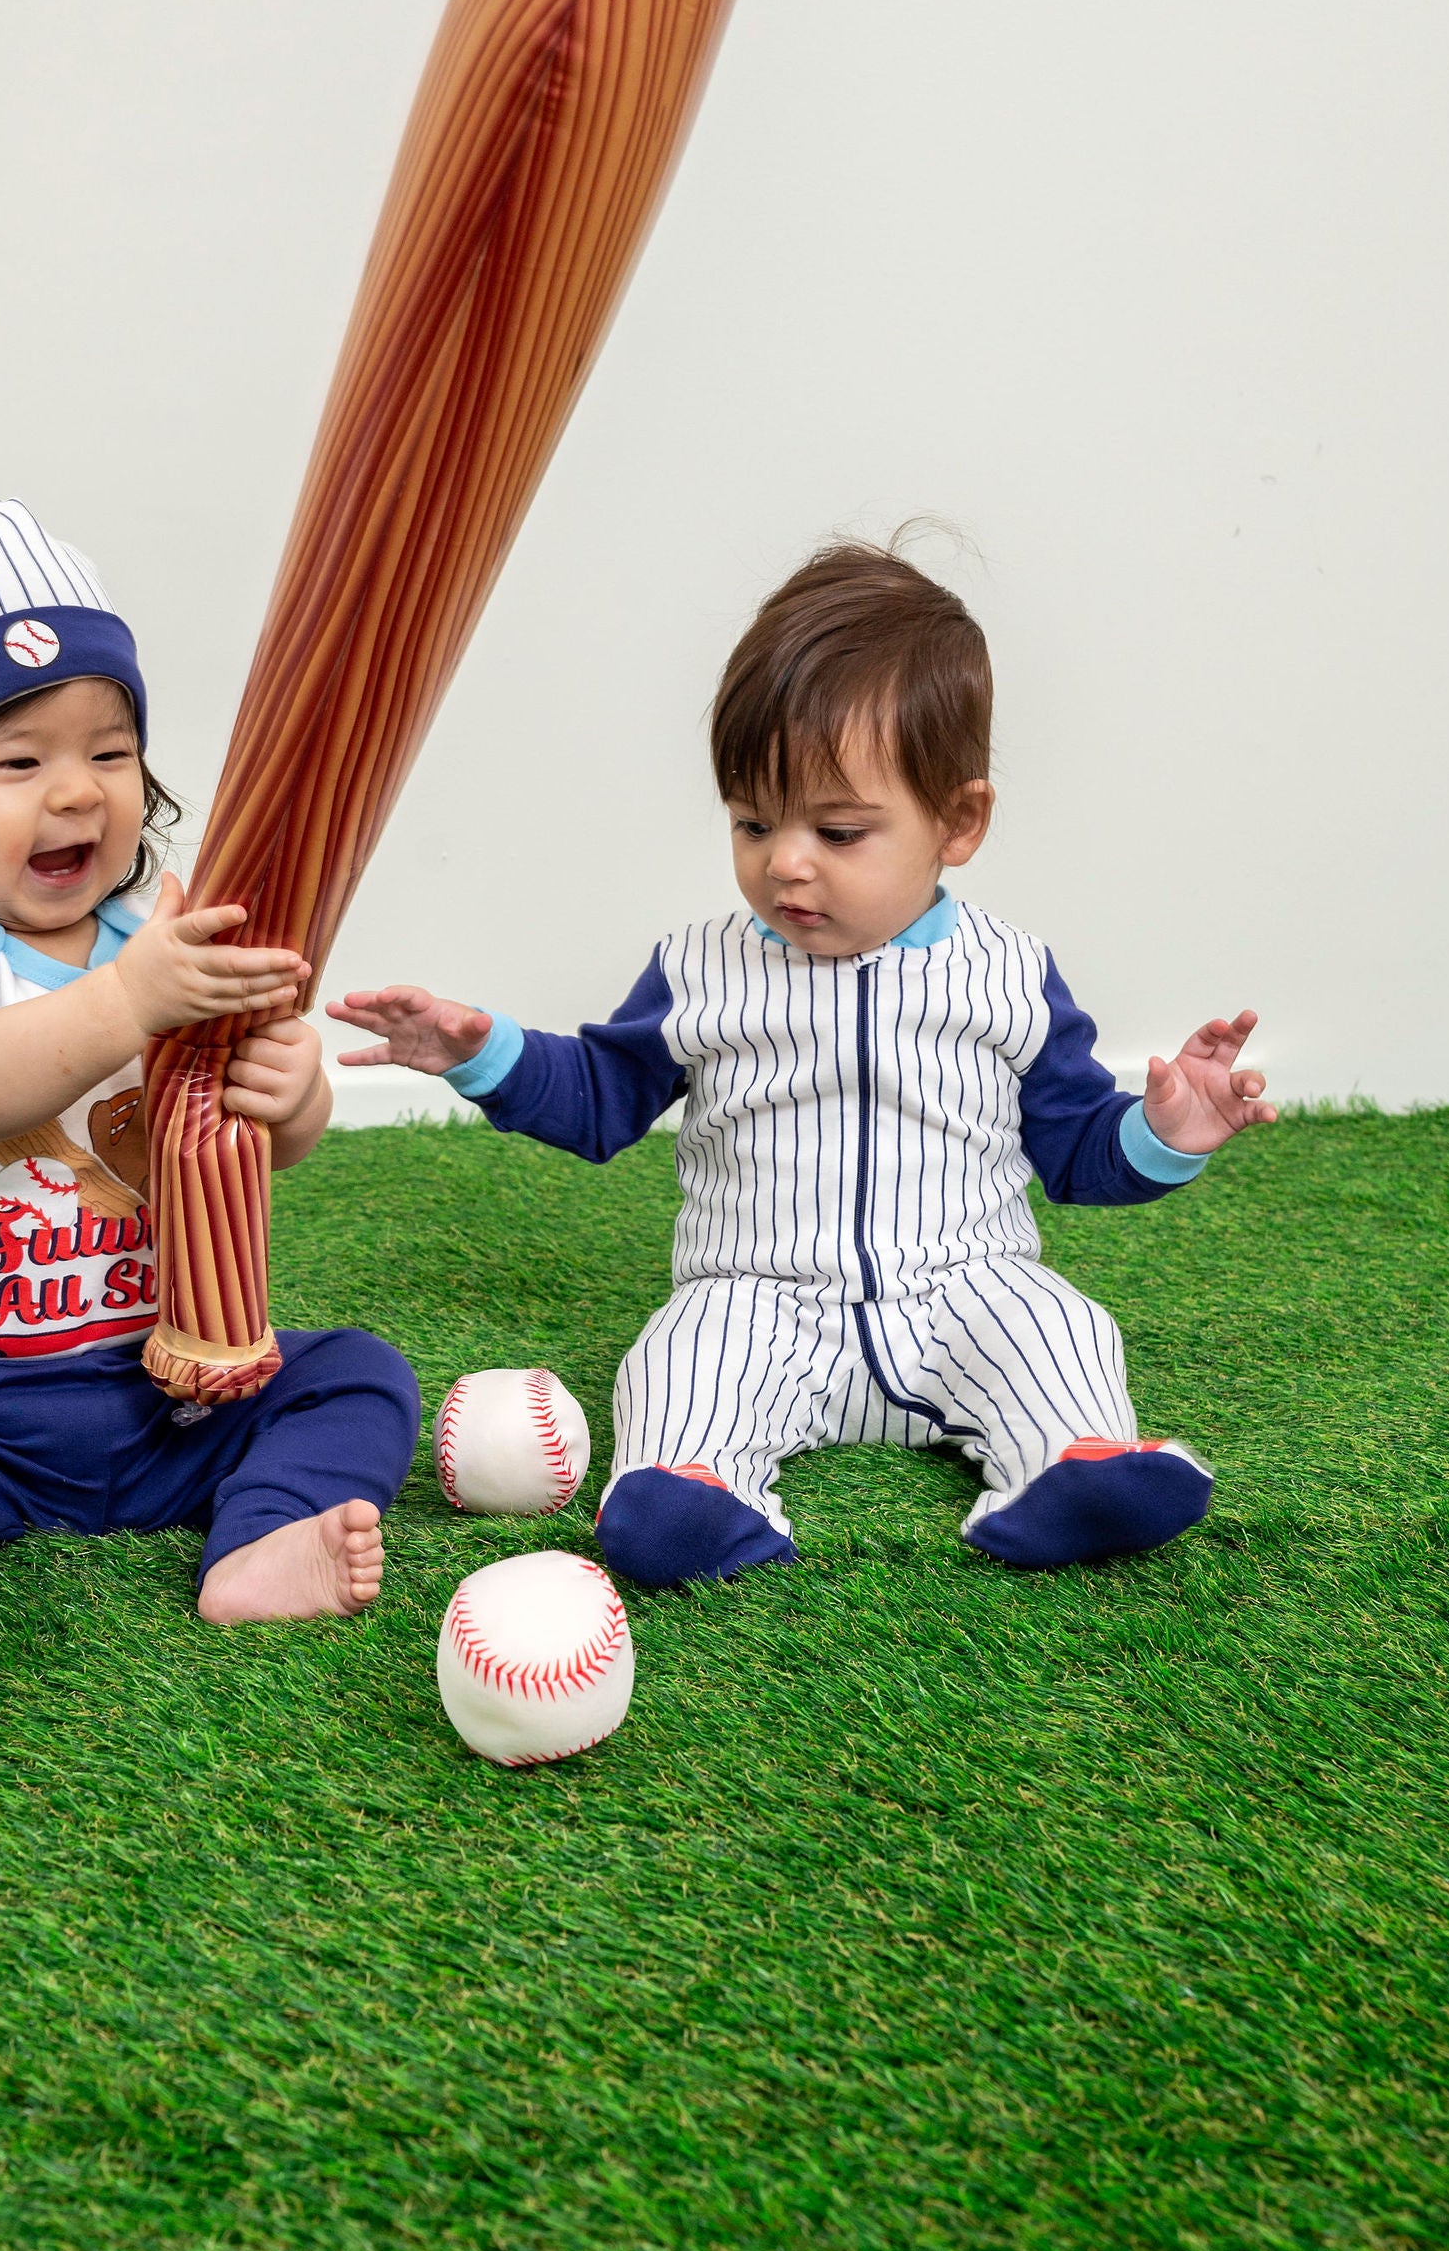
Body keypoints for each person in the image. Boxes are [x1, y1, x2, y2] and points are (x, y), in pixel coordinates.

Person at [331, 539, 1274, 1589]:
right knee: (681, 1358)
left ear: (954, 823)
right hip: (757, 1301)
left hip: (963, 1287)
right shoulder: (699, 970)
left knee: (1055, 1325)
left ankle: (1071, 1469)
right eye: (751, 821)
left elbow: (1072, 1152)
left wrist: (1161, 1134)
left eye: (836, 829)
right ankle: (693, 1494)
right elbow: (601, 1097)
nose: (784, 860)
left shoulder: (1009, 973)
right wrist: (481, 1053)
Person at [0, 490, 419, 1725]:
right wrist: (126, 1005)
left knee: (358, 1377)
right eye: (18, 761)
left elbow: (245, 1136)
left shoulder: (154, 924)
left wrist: (290, 1092)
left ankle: (263, 1540)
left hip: (170, 1391)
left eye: (108, 751)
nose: (79, 794)